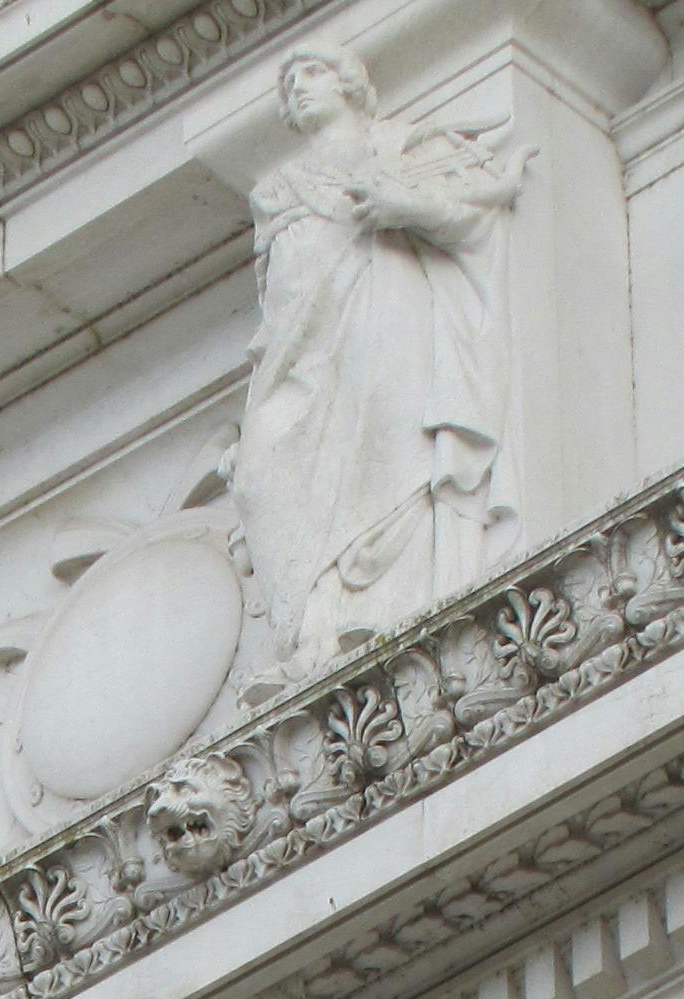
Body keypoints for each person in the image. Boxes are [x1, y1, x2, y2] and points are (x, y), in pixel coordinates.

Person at [237, 47, 530, 681]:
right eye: (289, 82)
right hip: (299, 354)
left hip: (382, 322)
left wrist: (405, 208)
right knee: (262, 469)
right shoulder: (276, 191)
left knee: (387, 457)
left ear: (349, 81)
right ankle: (306, 633)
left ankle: (365, 615)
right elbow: (275, 298)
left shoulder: (400, 150)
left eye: (312, 73)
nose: (299, 88)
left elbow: (468, 218)